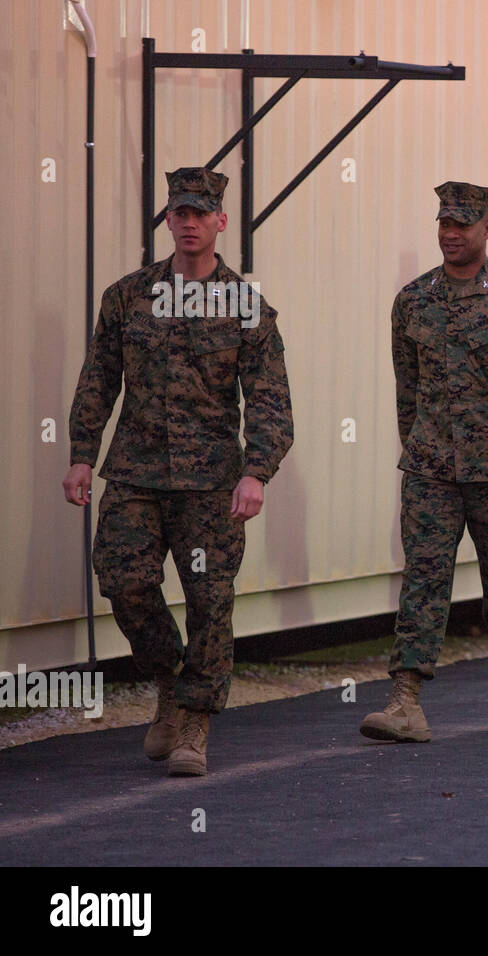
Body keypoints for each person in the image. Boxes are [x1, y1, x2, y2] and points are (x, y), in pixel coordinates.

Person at [63, 167, 293, 776]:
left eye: (200, 213)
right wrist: (82, 454)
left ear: (221, 222)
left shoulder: (247, 307)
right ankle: (169, 681)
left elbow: (269, 400)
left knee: (209, 601)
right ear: (168, 219)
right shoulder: (126, 297)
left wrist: (257, 472)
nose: (188, 222)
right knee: (124, 580)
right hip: (135, 473)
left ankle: (195, 722)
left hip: (212, 482)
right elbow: (98, 380)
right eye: (178, 212)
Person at [362, 181, 488, 742]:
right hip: (430, 472)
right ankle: (405, 699)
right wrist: (418, 448)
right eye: (443, 224)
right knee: (423, 580)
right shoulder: (414, 300)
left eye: (462, 225)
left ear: (487, 230)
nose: (450, 234)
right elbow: (408, 389)